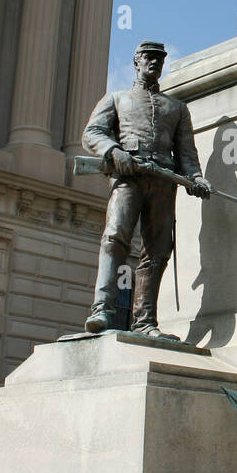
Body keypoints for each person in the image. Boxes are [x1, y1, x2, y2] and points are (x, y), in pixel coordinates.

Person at [81, 41, 210, 338]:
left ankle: (145, 321)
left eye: (160, 59)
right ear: (136, 61)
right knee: (115, 238)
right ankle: (102, 308)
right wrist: (114, 151)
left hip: (163, 182)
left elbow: (187, 153)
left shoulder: (177, 108)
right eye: (149, 58)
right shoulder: (116, 98)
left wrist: (196, 178)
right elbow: (92, 132)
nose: (155, 62)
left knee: (159, 250)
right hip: (128, 178)